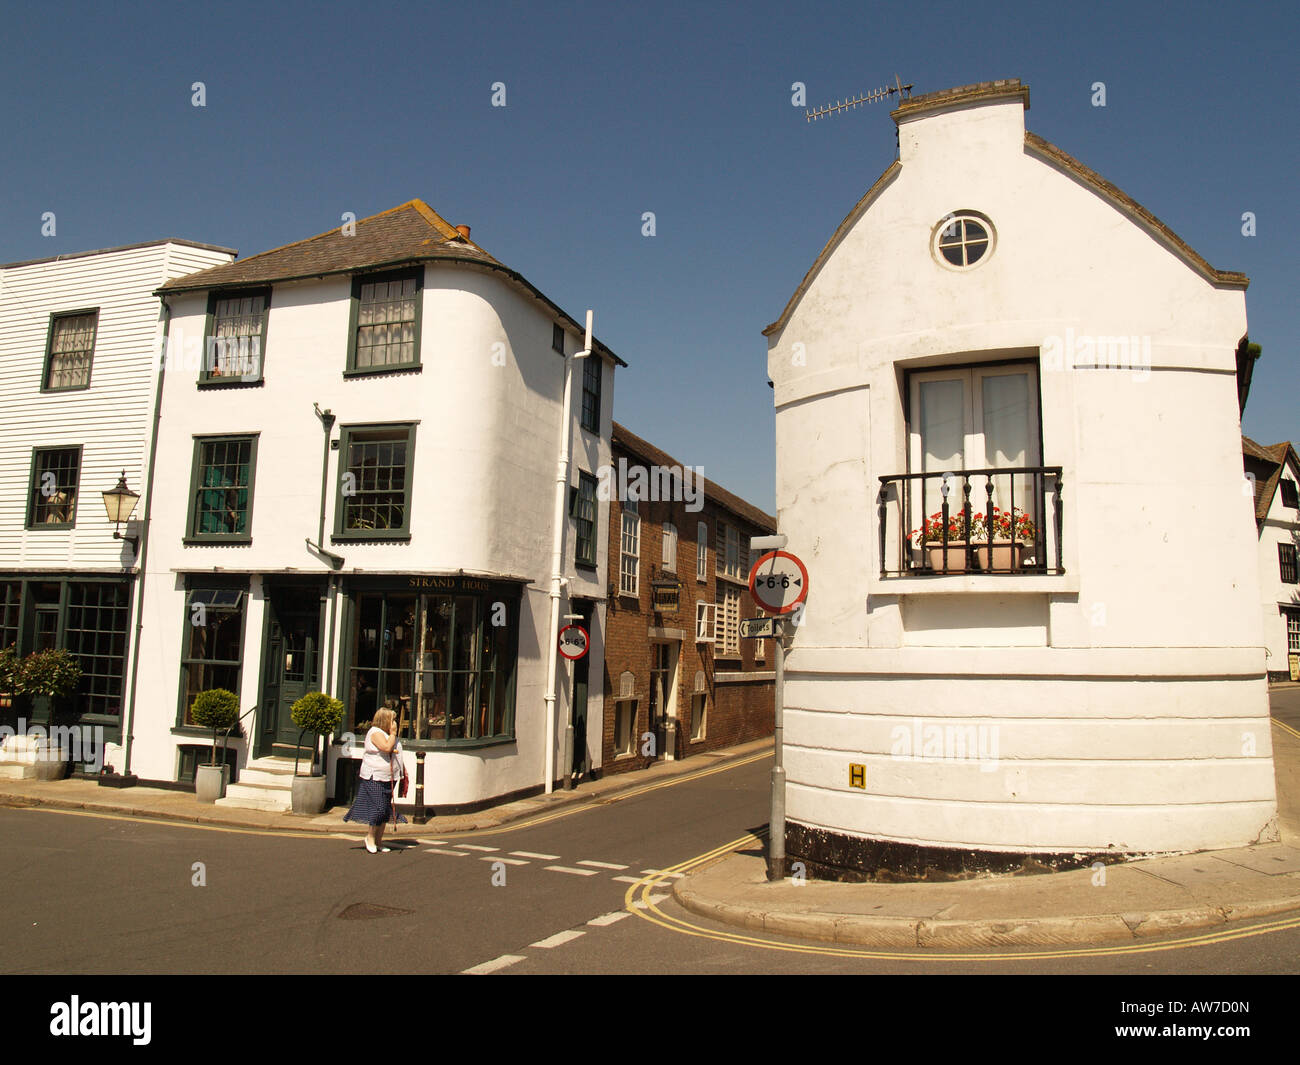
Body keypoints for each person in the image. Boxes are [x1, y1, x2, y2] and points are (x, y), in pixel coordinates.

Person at [342, 705, 406, 852]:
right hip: (374, 776)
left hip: (389, 777)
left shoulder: (388, 733)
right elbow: (387, 747)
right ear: (385, 720)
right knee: (378, 808)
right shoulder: (375, 732)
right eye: (393, 720)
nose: (395, 723)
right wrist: (394, 733)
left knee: (384, 810)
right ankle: (370, 837)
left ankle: (378, 841)